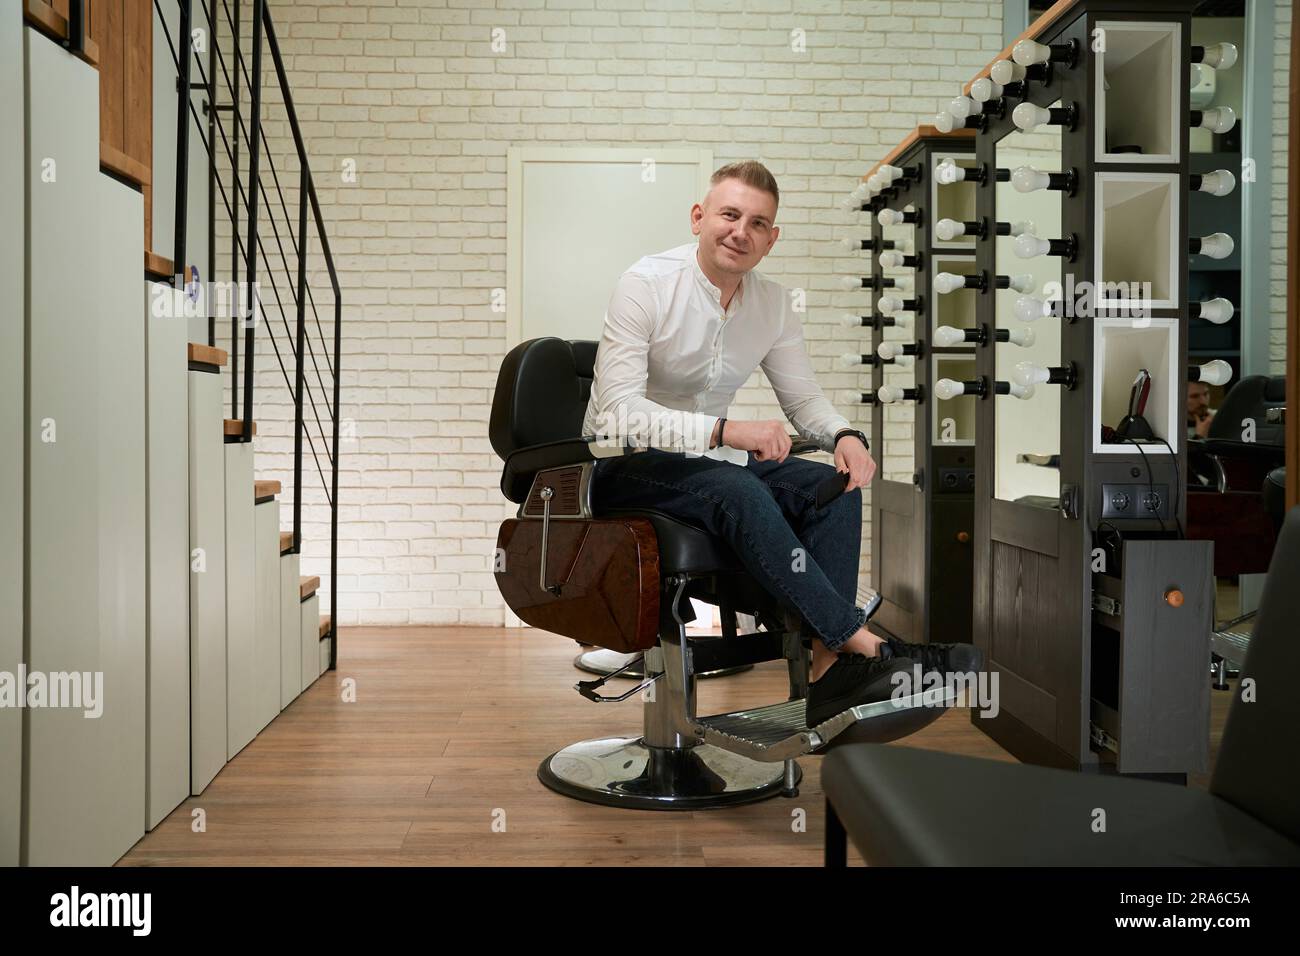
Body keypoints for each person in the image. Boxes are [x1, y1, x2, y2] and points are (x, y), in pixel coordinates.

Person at [582, 160, 981, 727]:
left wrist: (844, 436)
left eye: (758, 222)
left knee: (832, 485)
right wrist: (726, 431)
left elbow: (804, 400)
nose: (739, 231)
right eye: (729, 214)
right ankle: (863, 646)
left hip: (705, 464)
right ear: (699, 218)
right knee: (737, 484)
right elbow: (619, 415)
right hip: (622, 464)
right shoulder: (644, 285)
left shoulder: (772, 305)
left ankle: (826, 674)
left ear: (772, 239)